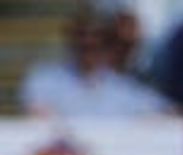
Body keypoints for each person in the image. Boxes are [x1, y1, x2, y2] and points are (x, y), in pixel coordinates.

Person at [21, 7, 173, 117]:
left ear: (108, 44)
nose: (89, 45)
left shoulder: (125, 89)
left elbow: (167, 114)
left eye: (97, 41)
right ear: (70, 41)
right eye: (82, 39)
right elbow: (38, 119)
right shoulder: (44, 80)